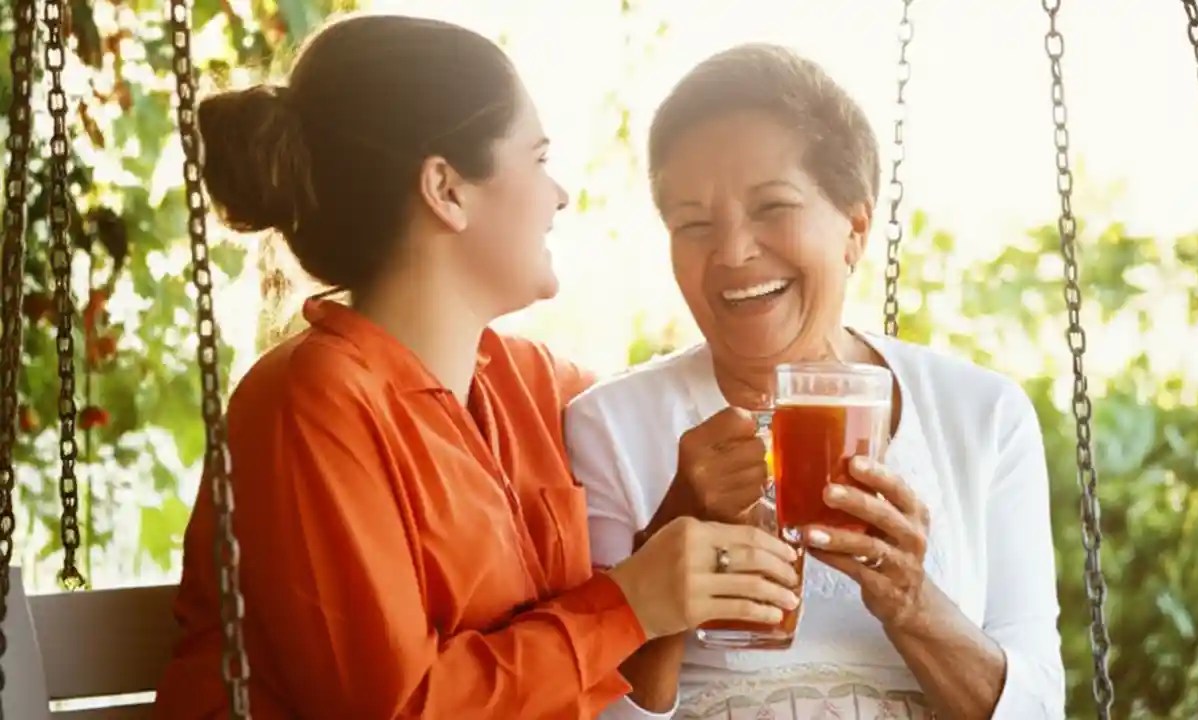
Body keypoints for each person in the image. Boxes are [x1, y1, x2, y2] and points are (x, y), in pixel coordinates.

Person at [154, 16, 802, 720]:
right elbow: (394, 710)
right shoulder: (307, 405)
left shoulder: (532, 385)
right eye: (538, 157)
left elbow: (666, 423)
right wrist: (629, 605)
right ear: (447, 190)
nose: (561, 196)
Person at [566, 44, 1066, 719]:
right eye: (693, 223)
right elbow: (592, 713)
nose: (734, 252)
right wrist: (674, 539)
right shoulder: (611, 424)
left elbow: (1040, 708)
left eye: (772, 207)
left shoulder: (981, 415)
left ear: (856, 227)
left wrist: (914, 604)